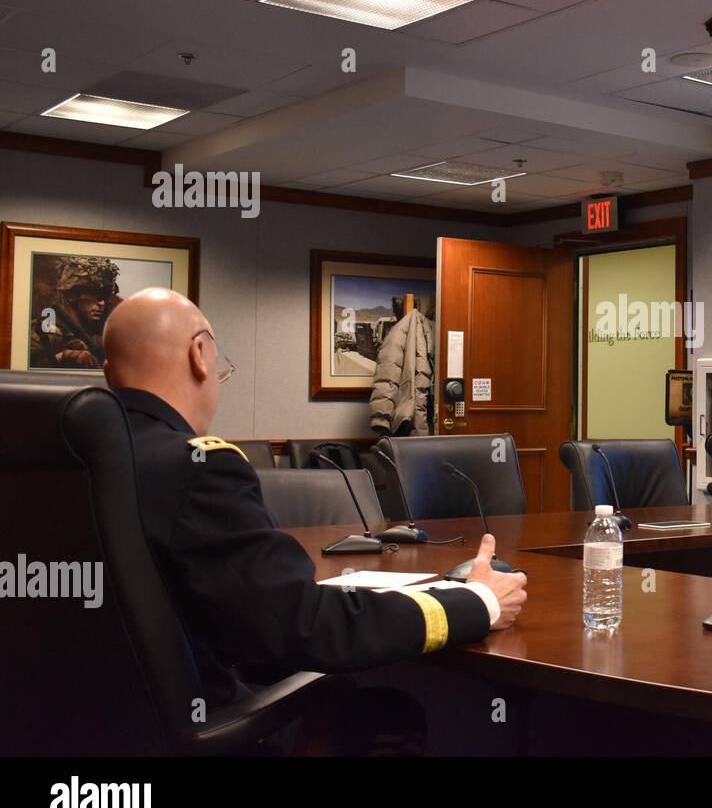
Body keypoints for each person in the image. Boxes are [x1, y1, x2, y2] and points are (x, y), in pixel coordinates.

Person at [101, 288, 528, 728]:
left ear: (108, 371)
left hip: (97, 731)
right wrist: (477, 602)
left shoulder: (75, 461)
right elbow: (305, 627)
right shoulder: (199, 469)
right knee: (393, 714)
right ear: (199, 355)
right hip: (206, 728)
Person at [29, 256, 119, 369]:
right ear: (72, 295)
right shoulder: (45, 330)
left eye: (105, 296)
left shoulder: (101, 335)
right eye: (95, 294)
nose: (102, 303)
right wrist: (62, 357)